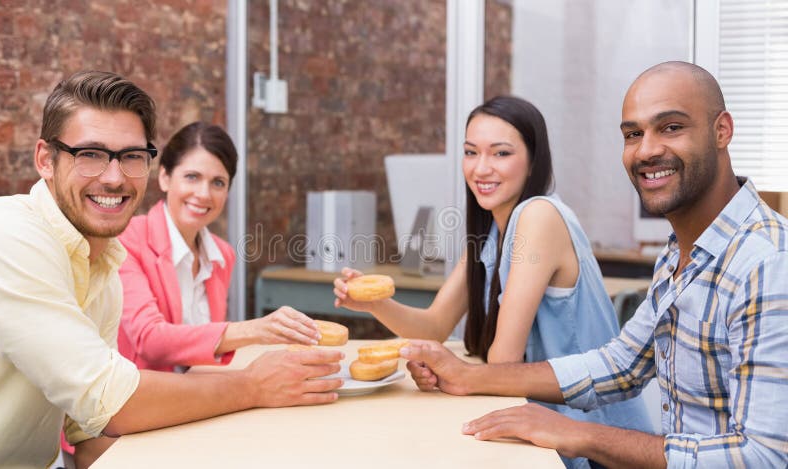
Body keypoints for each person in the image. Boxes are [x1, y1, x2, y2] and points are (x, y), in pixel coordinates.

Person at [400, 61, 788, 468]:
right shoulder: (680, 253)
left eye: (671, 127)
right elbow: (621, 365)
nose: (648, 149)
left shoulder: (767, 264)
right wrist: (466, 376)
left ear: (721, 130)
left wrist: (577, 434)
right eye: (633, 134)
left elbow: (764, 457)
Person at [0, 71, 342, 469]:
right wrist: (253, 385)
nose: (114, 177)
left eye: (132, 157)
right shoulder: (6, 234)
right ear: (45, 161)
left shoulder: (104, 263)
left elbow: (88, 432)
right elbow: (111, 395)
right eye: (89, 154)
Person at [334, 96, 652, 467]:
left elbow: (504, 359)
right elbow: (435, 325)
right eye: (471, 152)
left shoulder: (539, 216)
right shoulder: (490, 234)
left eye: (500, 153)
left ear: (534, 160)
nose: (481, 168)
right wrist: (374, 303)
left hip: (591, 442)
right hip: (537, 427)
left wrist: (453, 372)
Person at [117, 122, 321, 372]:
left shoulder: (221, 255)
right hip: (145, 402)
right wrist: (254, 330)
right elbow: (149, 340)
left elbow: (203, 351)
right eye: (192, 177)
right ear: (164, 177)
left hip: (201, 396)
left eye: (218, 183)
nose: (204, 194)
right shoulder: (127, 240)